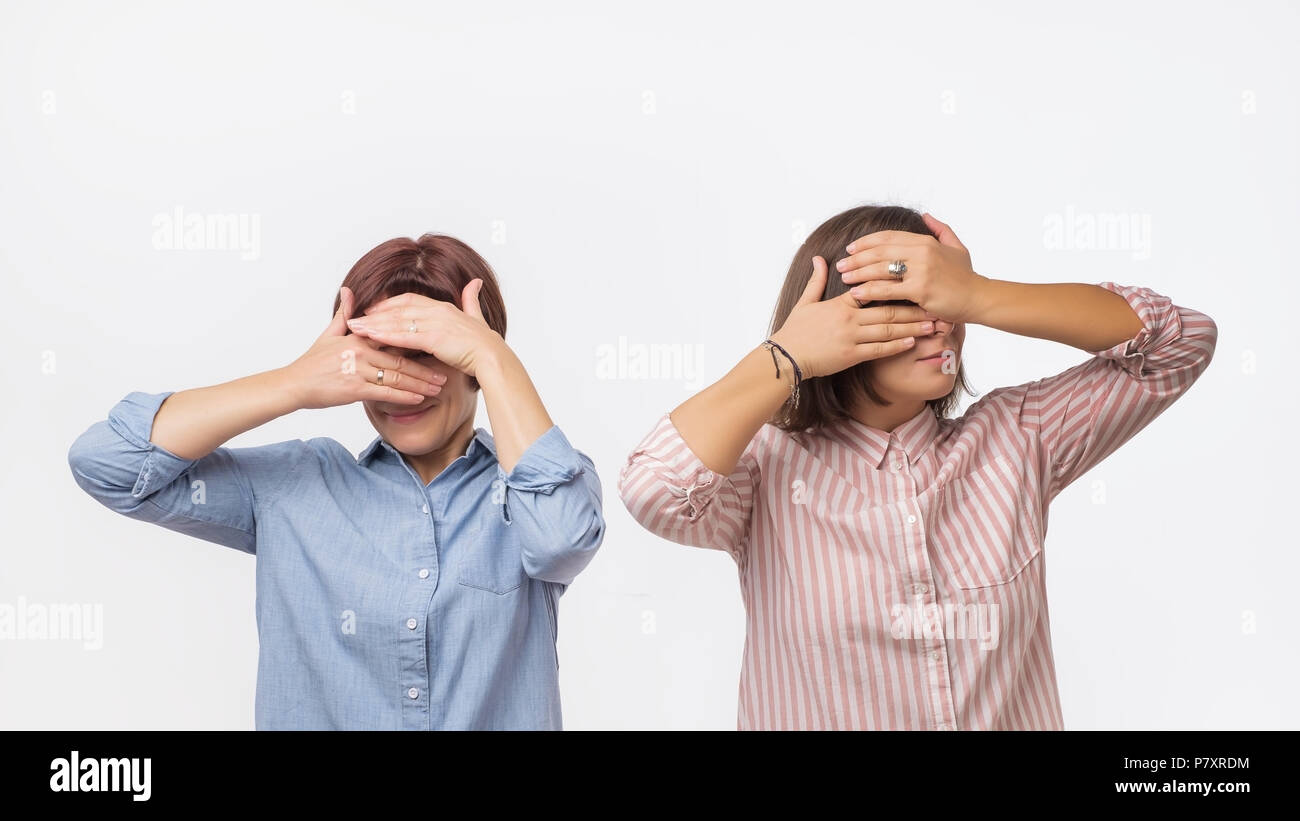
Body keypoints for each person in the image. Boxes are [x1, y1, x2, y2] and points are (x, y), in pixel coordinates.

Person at [617, 204, 1217, 730]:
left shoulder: (1017, 437)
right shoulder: (767, 468)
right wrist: (787, 357)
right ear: (833, 319)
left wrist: (980, 293)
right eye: (904, 305)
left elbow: (1180, 343)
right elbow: (653, 491)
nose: (940, 325)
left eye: (943, 300)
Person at [68, 233, 605, 730]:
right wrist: (293, 383)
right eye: (377, 356)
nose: (400, 384)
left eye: (428, 353)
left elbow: (559, 542)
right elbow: (107, 464)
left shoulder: (535, 485)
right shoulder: (295, 485)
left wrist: (493, 356)